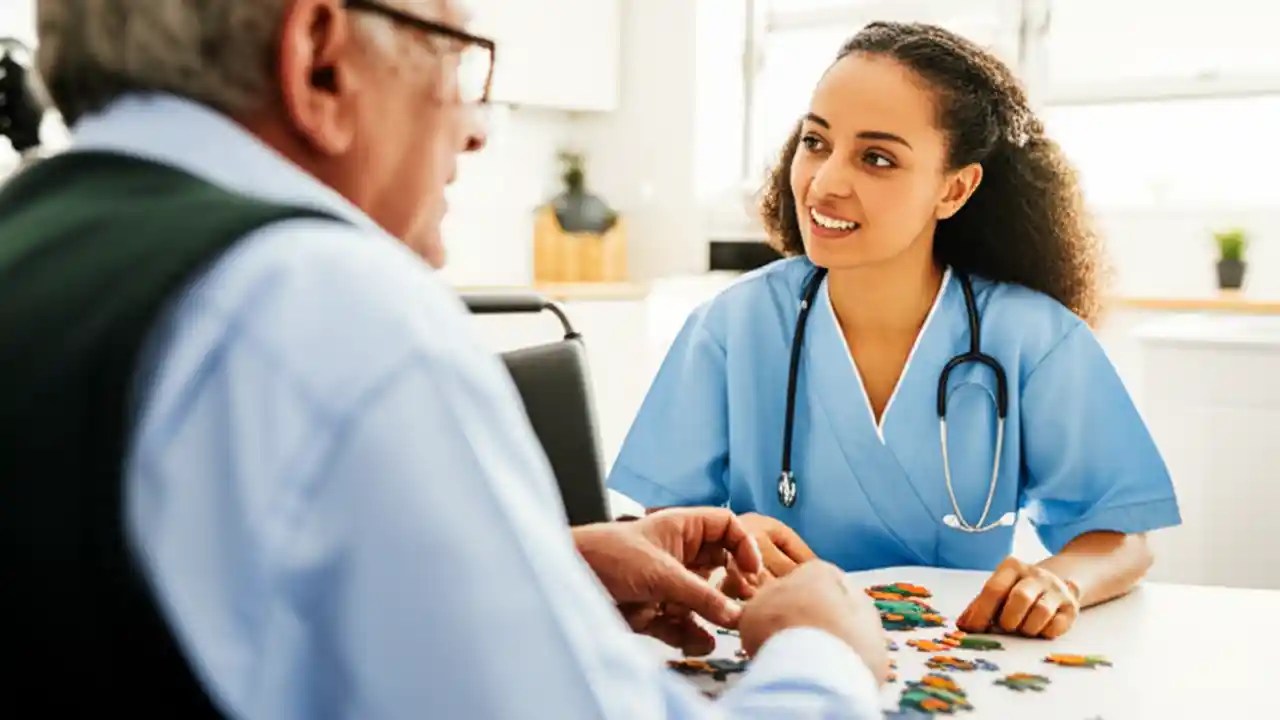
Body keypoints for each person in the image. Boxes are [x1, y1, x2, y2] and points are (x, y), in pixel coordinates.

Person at [0, 0, 895, 717]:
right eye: (457, 57)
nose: (477, 130)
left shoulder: (35, 246)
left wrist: (542, 568)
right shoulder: (330, 309)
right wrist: (822, 656)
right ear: (320, 59)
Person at [608, 21, 1182, 640]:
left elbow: (1121, 536)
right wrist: (724, 545)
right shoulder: (731, 326)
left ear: (954, 189)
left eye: (876, 158)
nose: (825, 182)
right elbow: (668, 528)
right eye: (816, 142)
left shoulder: (1034, 339)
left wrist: (1058, 582)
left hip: (959, 655)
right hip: (784, 649)